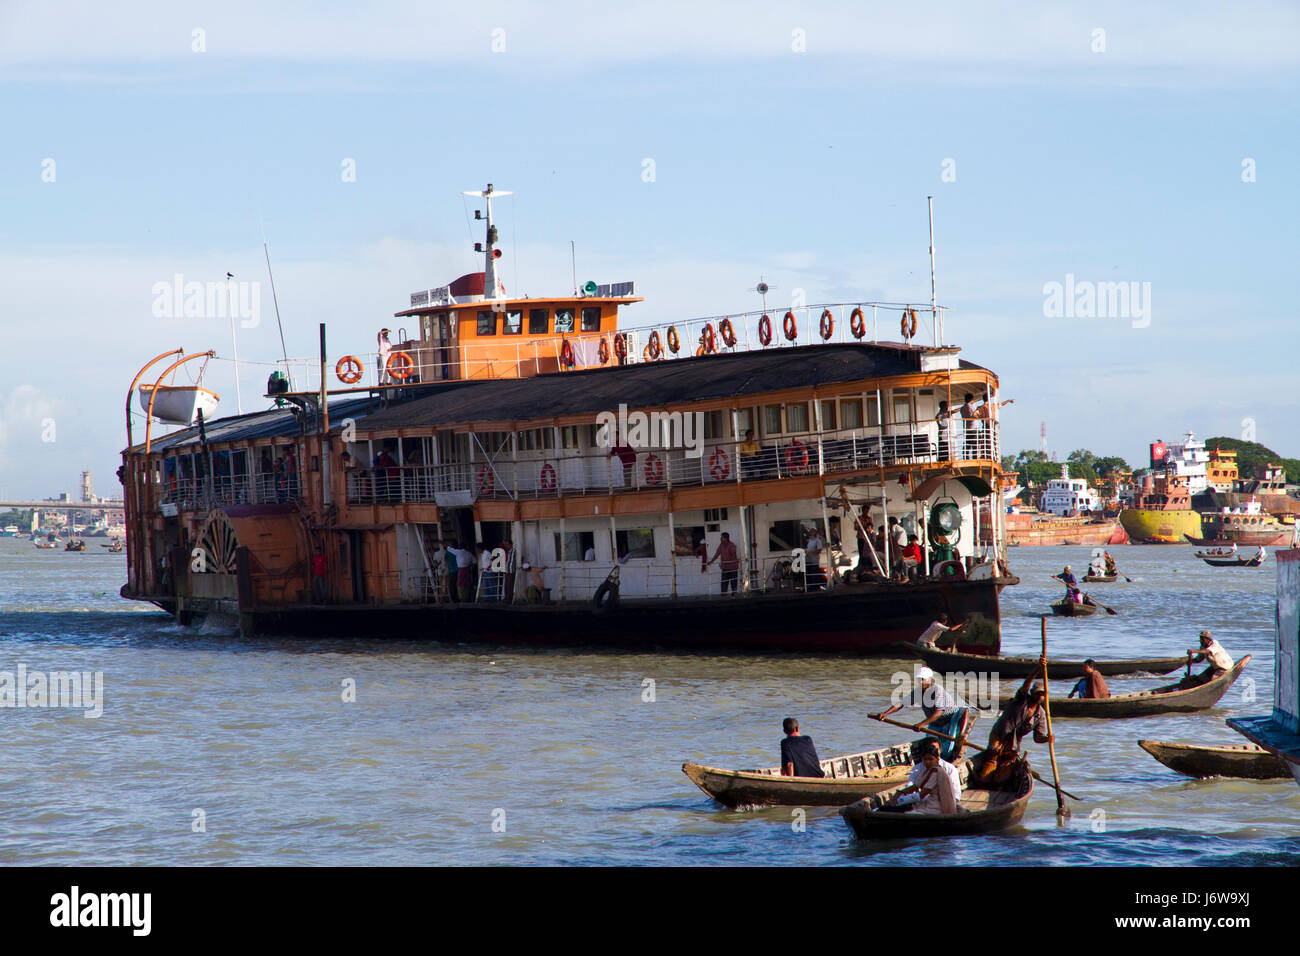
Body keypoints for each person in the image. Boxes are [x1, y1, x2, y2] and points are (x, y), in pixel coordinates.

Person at [872, 666, 976, 761]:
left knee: (946, 752)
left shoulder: (937, 691)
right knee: (928, 747)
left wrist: (921, 724)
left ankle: (959, 740)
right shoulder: (918, 692)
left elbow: (938, 712)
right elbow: (901, 704)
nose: (921, 682)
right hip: (935, 722)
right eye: (919, 679)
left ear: (931, 680)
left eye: (923, 679)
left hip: (950, 720)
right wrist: (885, 714)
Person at [985, 670, 1055, 759]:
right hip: (999, 736)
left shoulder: (1040, 715)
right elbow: (1027, 683)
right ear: (1032, 692)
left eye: (1042, 694)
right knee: (991, 759)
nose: (1040, 697)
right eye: (1038, 693)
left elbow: (1037, 738)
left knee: (1014, 766)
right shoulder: (1021, 699)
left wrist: (1047, 739)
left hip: (1014, 744)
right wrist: (1038, 668)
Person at [879, 740, 962, 814]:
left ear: (937, 758)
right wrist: (899, 793)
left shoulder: (937, 772)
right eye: (925, 759)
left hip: (935, 807)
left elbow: (922, 794)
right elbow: (915, 787)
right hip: (925, 803)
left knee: (907, 813)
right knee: (889, 809)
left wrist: (899, 800)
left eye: (930, 759)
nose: (927, 762)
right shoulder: (927, 770)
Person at [705, 531, 741, 596]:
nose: (720, 539)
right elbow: (717, 554)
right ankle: (723, 596)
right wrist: (711, 562)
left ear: (725, 538)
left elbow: (734, 556)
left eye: (721, 537)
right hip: (725, 567)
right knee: (724, 583)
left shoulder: (732, 545)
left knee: (733, 582)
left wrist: (726, 561)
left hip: (733, 567)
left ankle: (734, 596)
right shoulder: (721, 545)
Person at [804, 526, 826, 590]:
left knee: (814, 573)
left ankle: (815, 587)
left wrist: (812, 552)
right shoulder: (809, 540)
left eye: (813, 531)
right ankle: (809, 586)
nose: (811, 533)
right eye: (811, 531)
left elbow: (819, 550)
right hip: (808, 560)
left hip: (814, 560)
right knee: (809, 573)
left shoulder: (818, 540)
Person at [959, 393, 977, 458]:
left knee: (967, 443)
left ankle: (966, 457)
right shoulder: (971, 406)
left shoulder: (962, 408)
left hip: (967, 428)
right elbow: (972, 416)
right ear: (971, 399)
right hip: (973, 427)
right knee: (974, 444)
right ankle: (975, 457)